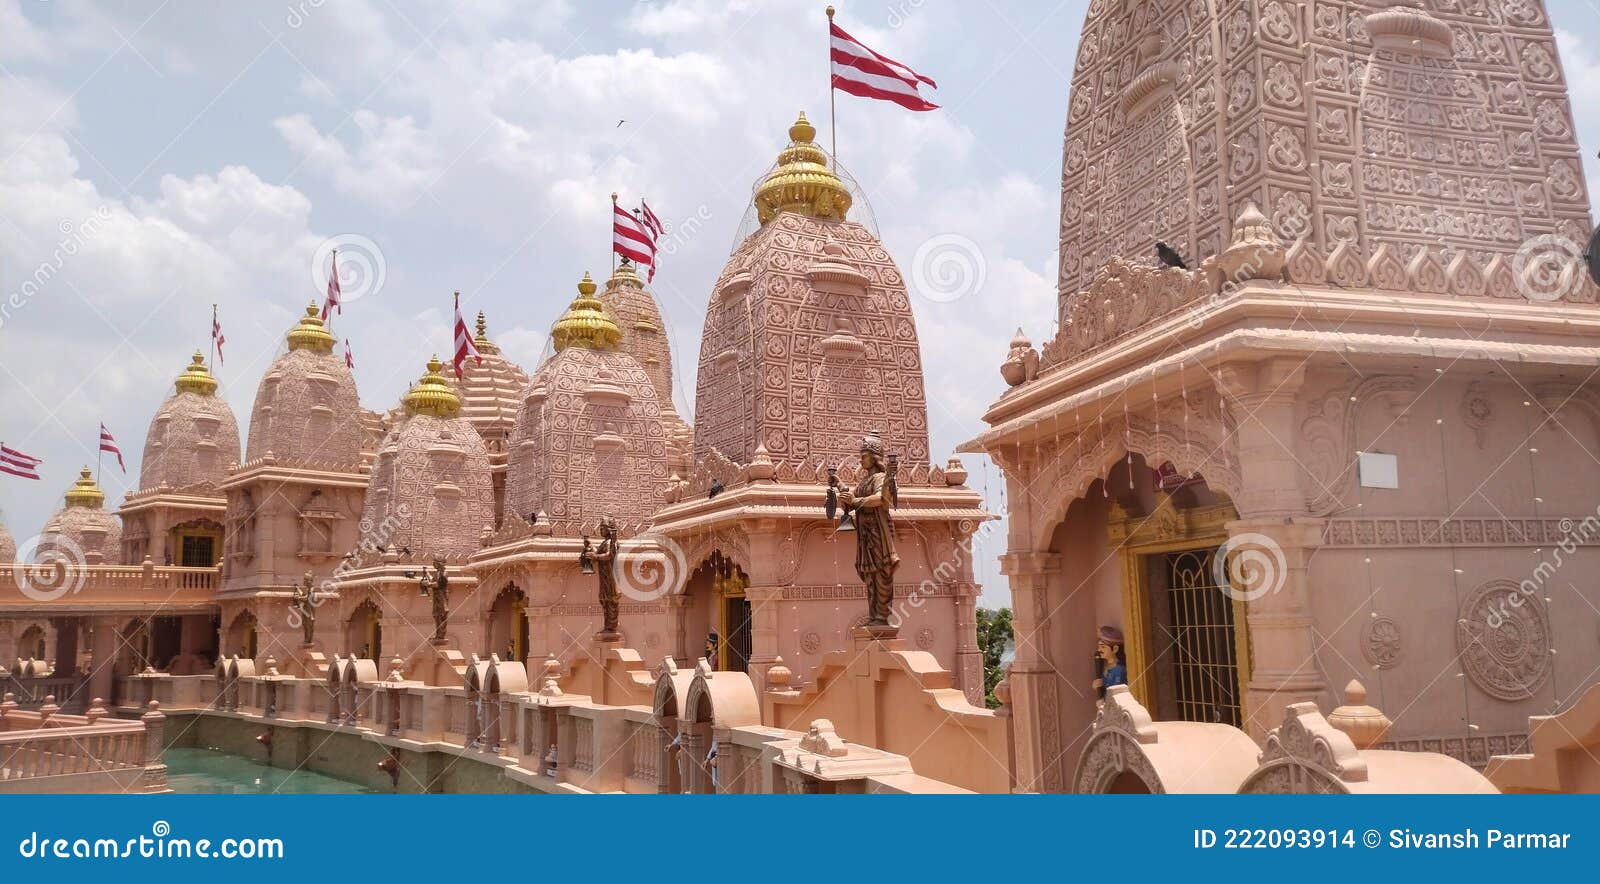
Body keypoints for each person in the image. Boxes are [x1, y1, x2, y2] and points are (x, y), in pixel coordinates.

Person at [835, 433, 899, 628]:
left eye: (864, 456)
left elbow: (882, 499)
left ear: (874, 457)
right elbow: (853, 497)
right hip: (865, 534)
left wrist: (856, 501)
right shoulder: (864, 481)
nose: (861, 459)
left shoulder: (880, 477)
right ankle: (874, 616)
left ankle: (882, 616)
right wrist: (839, 486)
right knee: (869, 575)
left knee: (881, 573)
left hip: (878, 533)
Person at [1093, 624, 1126, 699]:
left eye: (1103, 647)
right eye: (1099, 647)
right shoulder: (1105, 667)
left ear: (1115, 649)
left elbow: (1116, 692)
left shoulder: (1119, 669)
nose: (1099, 650)